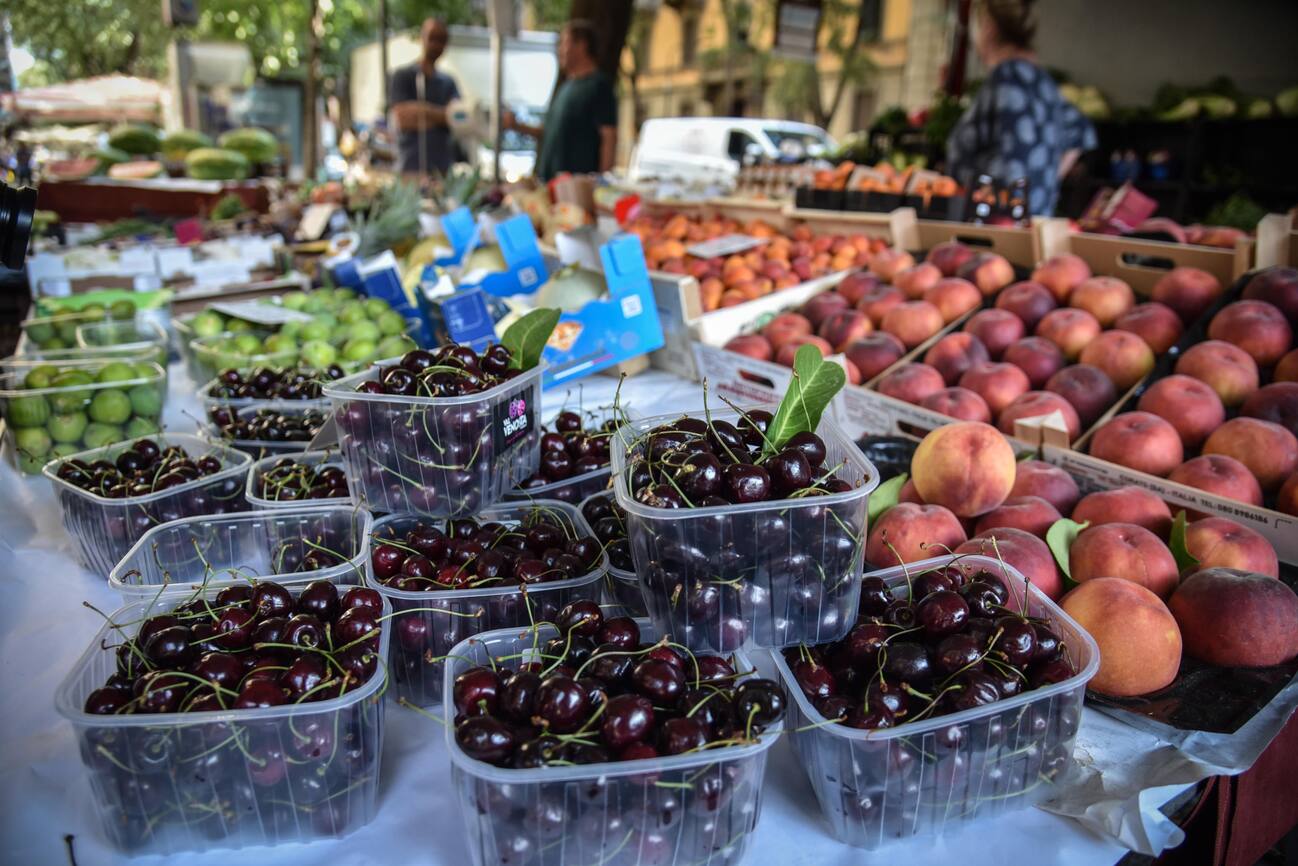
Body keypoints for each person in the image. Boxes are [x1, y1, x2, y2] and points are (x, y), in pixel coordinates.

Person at [946, 0, 1096, 216]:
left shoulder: (1005, 78)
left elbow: (968, 147)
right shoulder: (1040, 80)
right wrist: (1044, 182)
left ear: (988, 27)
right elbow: (1082, 131)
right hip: (1033, 221)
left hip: (994, 223)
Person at [506, 20, 617, 180]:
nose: (560, 50)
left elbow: (609, 137)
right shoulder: (566, 87)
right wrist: (516, 126)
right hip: (550, 185)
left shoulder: (598, 86)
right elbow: (548, 131)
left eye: (564, 43)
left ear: (582, 45)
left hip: (576, 188)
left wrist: (601, 182)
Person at [389, 18, 461, 177]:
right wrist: (442, 116)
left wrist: (420, 112)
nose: (436, 44)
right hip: (410, 169)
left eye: (441, 40)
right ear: (422, 38)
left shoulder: (448, 82)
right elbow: (403, 118)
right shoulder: (403, 76)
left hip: (442, 171)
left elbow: (458, 118)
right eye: (432, 38)